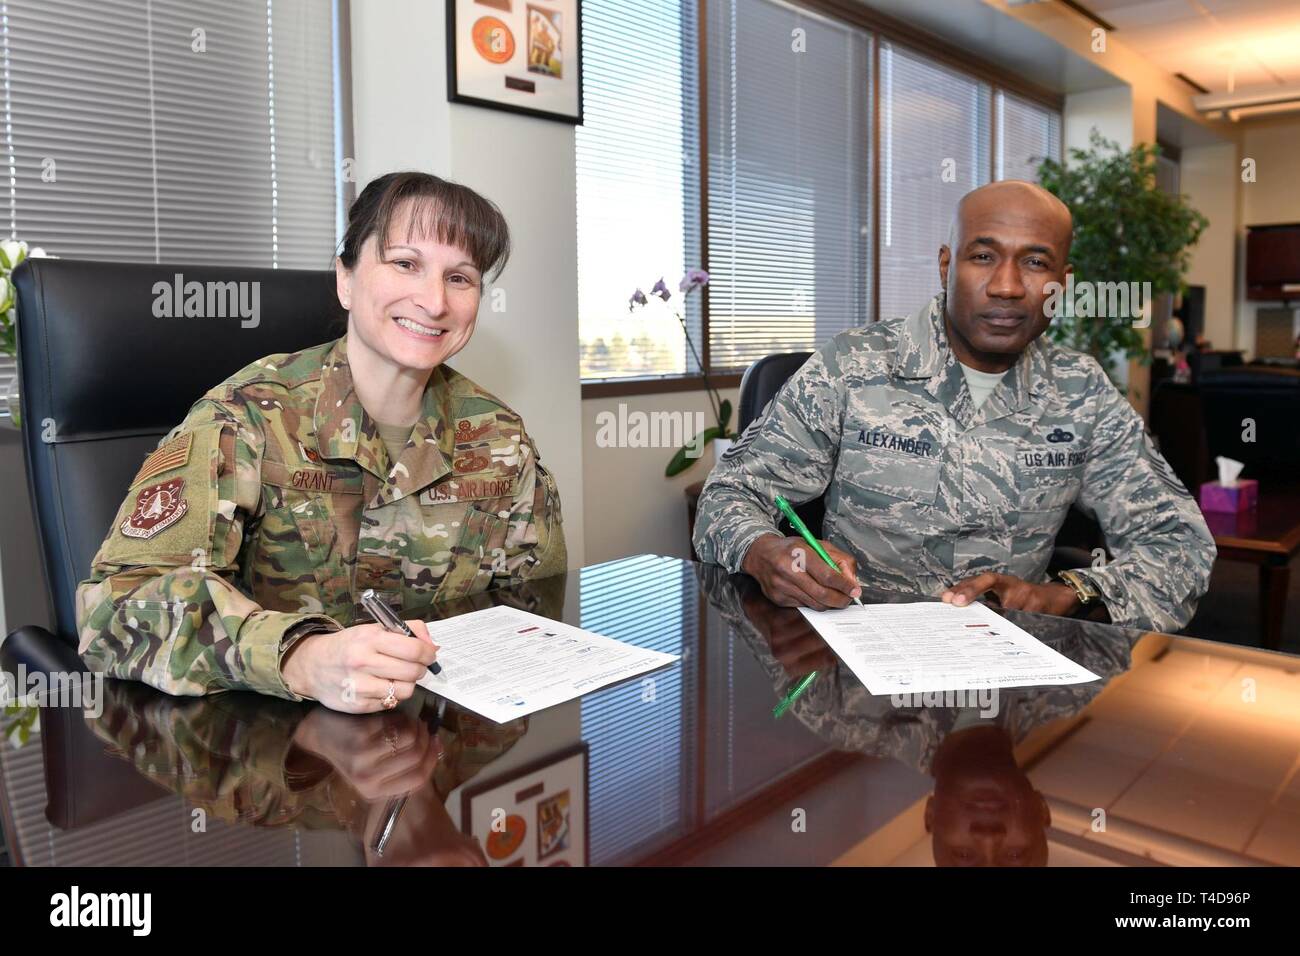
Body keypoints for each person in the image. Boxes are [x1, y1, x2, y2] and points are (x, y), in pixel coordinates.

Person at [76, 172, 566, 711]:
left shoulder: (499, 436)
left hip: (434, 742)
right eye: (405, 263)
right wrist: (298, 657)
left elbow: (534, 608)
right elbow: (114, 612)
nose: (433, 301)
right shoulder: (246, 417)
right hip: (271, 751)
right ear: (346, 279)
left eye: (460, 278)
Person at [693, 180, 1215, 633]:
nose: (1007, 287)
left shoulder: (1081, 393)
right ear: (947, 265)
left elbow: (1181, 547)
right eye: (983, 256)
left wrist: (1071, 594)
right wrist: (769, 554)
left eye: (1035, 262)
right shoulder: (852, 367)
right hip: (855, 680)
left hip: (1012, 689)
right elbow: (728, 494)